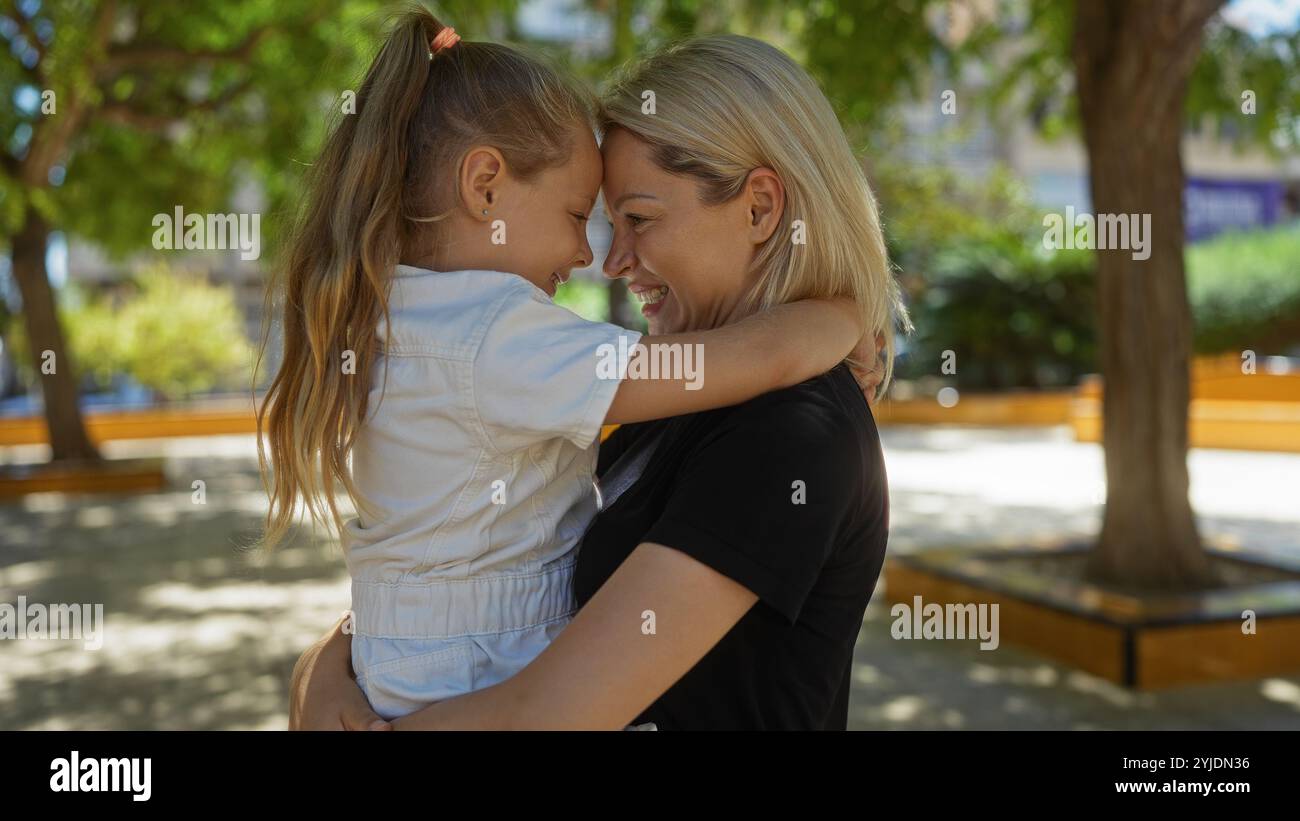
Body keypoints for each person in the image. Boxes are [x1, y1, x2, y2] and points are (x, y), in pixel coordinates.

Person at [258, 11, 866, 722]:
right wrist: (325, 667)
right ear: (483, 185)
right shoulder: (626, 389)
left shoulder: (791, 432)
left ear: (761, 207)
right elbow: (465, 564)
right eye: (587, 217)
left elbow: (546, 714)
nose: (603, 259)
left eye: (636, 218)